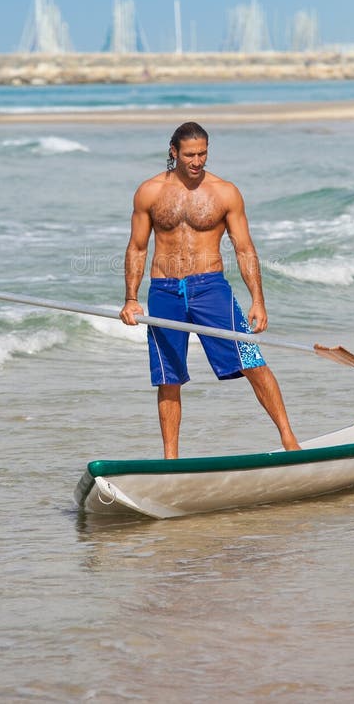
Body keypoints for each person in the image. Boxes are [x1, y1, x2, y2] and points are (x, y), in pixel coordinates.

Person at [119, 121, 300, 458]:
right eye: (190, 154)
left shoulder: (224, 192)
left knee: (252, 361)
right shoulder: (150, 192)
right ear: (174, 152)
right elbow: (137, 248)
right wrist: (131, 299)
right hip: (164, 291)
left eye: (203, 153)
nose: (197, 161)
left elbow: (244, 249)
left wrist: (258, 300)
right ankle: (171, 460)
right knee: (168, 377)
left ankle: (290, 441)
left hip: (210, 289)